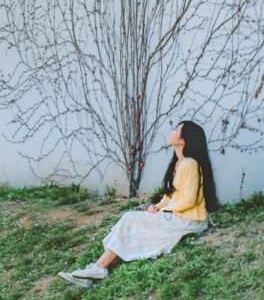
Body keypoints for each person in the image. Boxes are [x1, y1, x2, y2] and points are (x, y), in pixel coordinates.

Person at [58, 120, 218, 288]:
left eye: (177, 129)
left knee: (131, 220)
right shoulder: (179, 163)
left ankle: (99, 267)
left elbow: (189, 200)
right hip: (175, 215)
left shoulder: (190, 164)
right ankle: (97, 268)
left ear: (183, 140)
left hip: (188, 221)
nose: (172, 131)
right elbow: (171, 194)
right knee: (130, 220)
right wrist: (157, 206)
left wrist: (165, 210)